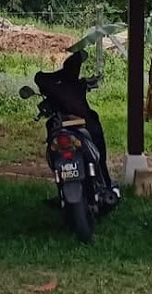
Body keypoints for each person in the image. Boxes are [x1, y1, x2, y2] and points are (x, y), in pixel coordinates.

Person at [34, 50, 119, 204]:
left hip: (69, 128)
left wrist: (59, 75)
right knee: (100, 156)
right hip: (82, 126)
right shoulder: (77, 85)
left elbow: (39, 77)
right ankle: (106, 184)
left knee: (98, 155)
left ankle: (102, 183)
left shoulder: (53, 86)